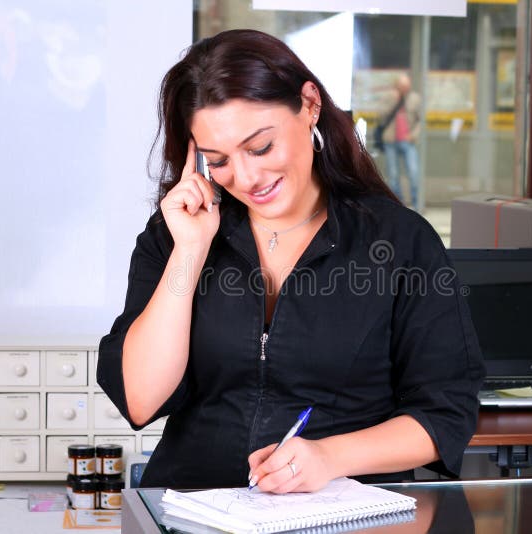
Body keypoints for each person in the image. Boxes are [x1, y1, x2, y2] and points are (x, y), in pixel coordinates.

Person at [97, 29, 484, 493]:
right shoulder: (176, 235)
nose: (246, 177)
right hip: (195, 510)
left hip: (345, 518)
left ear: (309, 105)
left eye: (260, 147)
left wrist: (328, 457)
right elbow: (140, 400)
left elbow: (445, 413)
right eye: (218, 160)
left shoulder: (399, 241)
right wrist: (191, 250)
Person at [380, 73, 422, 210]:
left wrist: (414, 135)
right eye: (401, 86)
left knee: (413, 172)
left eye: (406, 86)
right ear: (397, 86)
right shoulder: (388, 97)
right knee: (393, 175)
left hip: (407, 141)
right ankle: (398, 207)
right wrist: (394, 101)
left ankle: (416, 205)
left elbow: (420, 121)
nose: (404, 88)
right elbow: (381, 116)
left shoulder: (415, 99)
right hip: (390, 140)